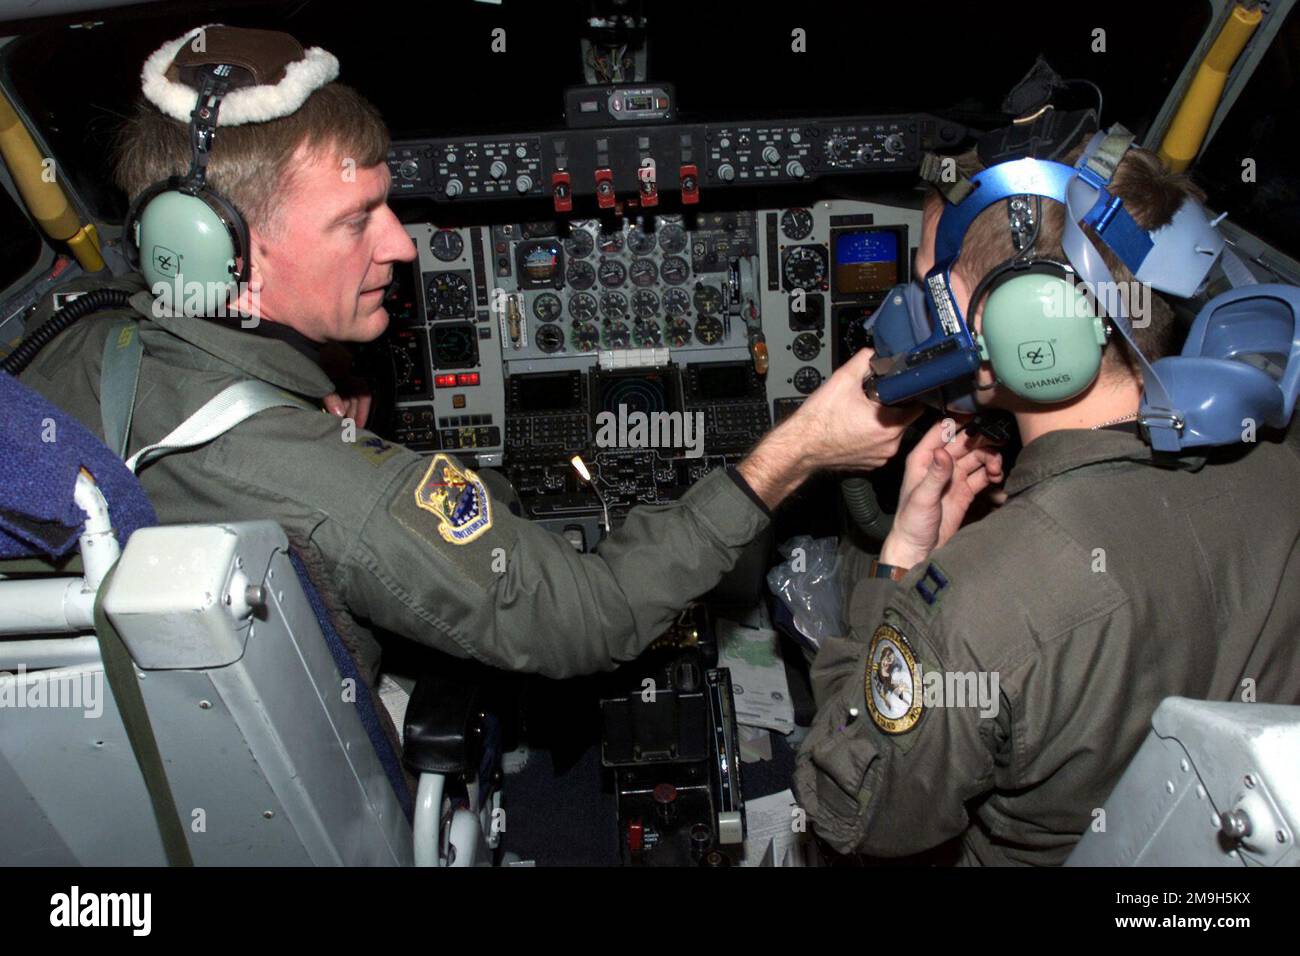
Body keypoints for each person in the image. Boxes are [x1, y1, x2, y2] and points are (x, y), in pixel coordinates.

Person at [17, 25, 919, 683]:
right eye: (355, 221)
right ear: (217, 253)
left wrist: (302, 389)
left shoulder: (65, 334)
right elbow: (589, 619)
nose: (405, 248)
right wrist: (794, 450)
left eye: (388, 204)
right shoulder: (336, 492)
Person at [792, 140, 1300, 865]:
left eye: (937, 288)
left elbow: (851, 814)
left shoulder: (972, 613)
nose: (922, 315)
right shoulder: (1281, 471)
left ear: (1032, 323)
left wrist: (899, 568)